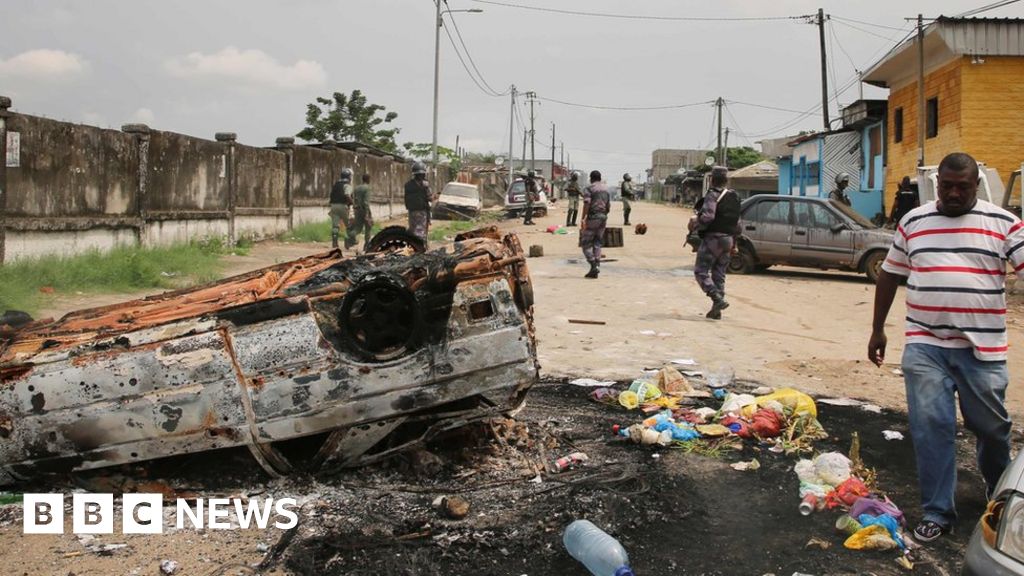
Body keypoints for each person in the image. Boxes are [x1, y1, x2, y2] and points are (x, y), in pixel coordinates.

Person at [868, 152, 1024, 543]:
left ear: (976, 185)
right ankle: (938, 511)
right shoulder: (915, 220)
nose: (954, 193)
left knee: (991, 429)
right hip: (925, 344)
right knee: (931, 426)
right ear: (938, 183)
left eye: (963, 187)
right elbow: (889, 274)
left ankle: (998, 488)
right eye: (947, 186)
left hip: (982, 350)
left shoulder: (1004, 222)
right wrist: (877, 330)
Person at [692, 166, 740, 319]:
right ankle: (716, 311)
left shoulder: (712, 195)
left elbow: (708, 217)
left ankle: (716, 298)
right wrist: (735, 244)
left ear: (711, 179)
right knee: (719, 274)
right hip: (728, 239)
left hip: (714, 239)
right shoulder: (734, 196)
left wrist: (695, 222)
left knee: (701, 271)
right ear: (726, 180)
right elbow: (738, 224)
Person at [580, 170, 609, 279]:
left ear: (591, 178)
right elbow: (608, 206)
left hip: (593, 218)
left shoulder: (589, 188)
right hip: (603, 218)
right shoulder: (606, 189)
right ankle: (596, 266)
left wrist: (583, 218)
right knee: (597, 242)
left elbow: (587, 204)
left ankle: (593, 265)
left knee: (586, 243)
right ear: (600, 178)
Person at [405, 161, 432, 243]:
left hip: (411, 211)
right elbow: (429, 198)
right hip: (422, 211)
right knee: (421, 232)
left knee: (413, 230)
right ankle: (421, 248)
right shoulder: (425, 185)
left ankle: (413, 246)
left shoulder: (408, 185)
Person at [329, 168, 354, 249]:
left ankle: (335, 243)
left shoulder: (336, 184)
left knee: (335, 226)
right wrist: (353, 203)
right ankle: (347, 243)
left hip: (333, 206)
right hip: (343, 206)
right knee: (348, 225)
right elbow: (347, 195)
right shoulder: (347, 185)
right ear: (349, 177)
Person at [348, 173, 374, 250]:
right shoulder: (367, 188)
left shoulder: (356, 188)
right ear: (368, 179)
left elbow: (351, 196)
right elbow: (366, 202)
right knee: (368, 226)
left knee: (358, 228)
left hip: (357, 210)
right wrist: (367, 214)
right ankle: (366, 244)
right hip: (364, 210)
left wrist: (355, 205)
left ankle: (349, 238)